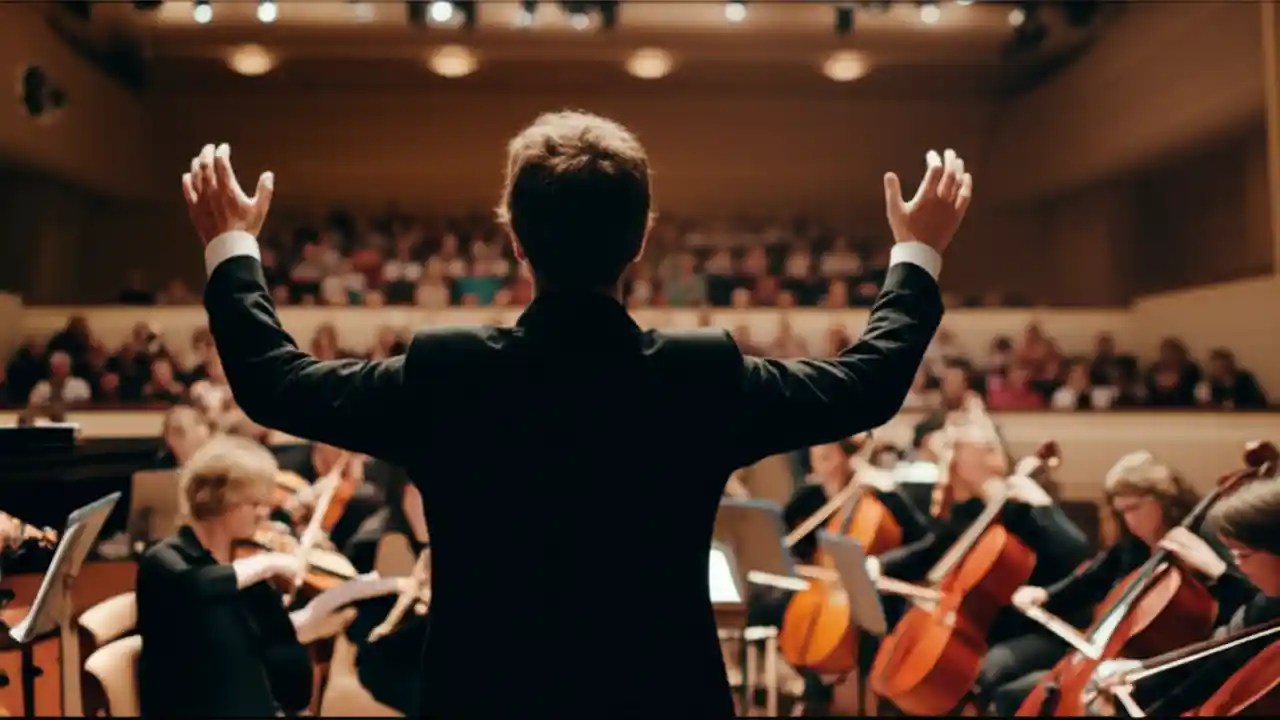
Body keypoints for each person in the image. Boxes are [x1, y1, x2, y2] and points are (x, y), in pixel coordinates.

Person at [179, 115, 972, 716]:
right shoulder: (701, 377)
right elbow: (867, 384)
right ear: (641, 241)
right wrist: (918, 254)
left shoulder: (448, 373)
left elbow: (274, 383)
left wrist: (232, 248)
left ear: (515, 240)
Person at [995, 451, 1251, 715]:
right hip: (1108, 661)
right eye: (1121, 511)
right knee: (1013, 695)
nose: (1129, 521)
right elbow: (1089, 580)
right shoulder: (1133, 548)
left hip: (1166, 672)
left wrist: (1213, 570)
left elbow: (1242, 605)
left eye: (1134, 508)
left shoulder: (1202, 541)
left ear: (1162, 500)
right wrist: (1045, 595)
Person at [867, 420, 1091, 713]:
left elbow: (1077, 551)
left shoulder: (1022, 505)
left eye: (958, 454)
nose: (950, 463)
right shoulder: (974, 510)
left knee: (983, 671)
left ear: (988, 455)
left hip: (1040, 627)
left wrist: (1042, 505)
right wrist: (879, 564)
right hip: (986, 625)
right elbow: (935, 548)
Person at [136, 435, 367, 717]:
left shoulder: (249, 572)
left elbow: (289, 681)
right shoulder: (164, 562)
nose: (265, 514)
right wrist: (270, 564)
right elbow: (197, 585)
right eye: (255, 503)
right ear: (216, 499)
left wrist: (304, 626)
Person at [1089, 476, 1280, 716]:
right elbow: (1217, 658)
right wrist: (1142, 670)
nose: (1236, 564)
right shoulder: (1266, 605)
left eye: (1243, 555)